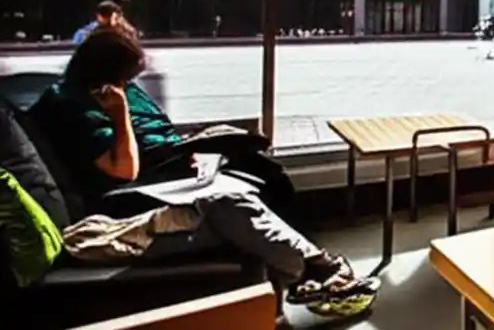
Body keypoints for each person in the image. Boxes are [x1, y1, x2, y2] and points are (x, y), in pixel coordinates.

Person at [31, 28, 377, 308]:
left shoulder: (112, 88)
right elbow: (124, 170)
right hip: (131, 193)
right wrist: (120, 114)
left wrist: (187, 147)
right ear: (106, 73)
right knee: (230, 201)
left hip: (167, 164)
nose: (129, 83)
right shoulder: (75, 107)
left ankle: (309, 271)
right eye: (126, 76)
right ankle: (317, 269)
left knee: (262, 173)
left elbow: (152, 130)